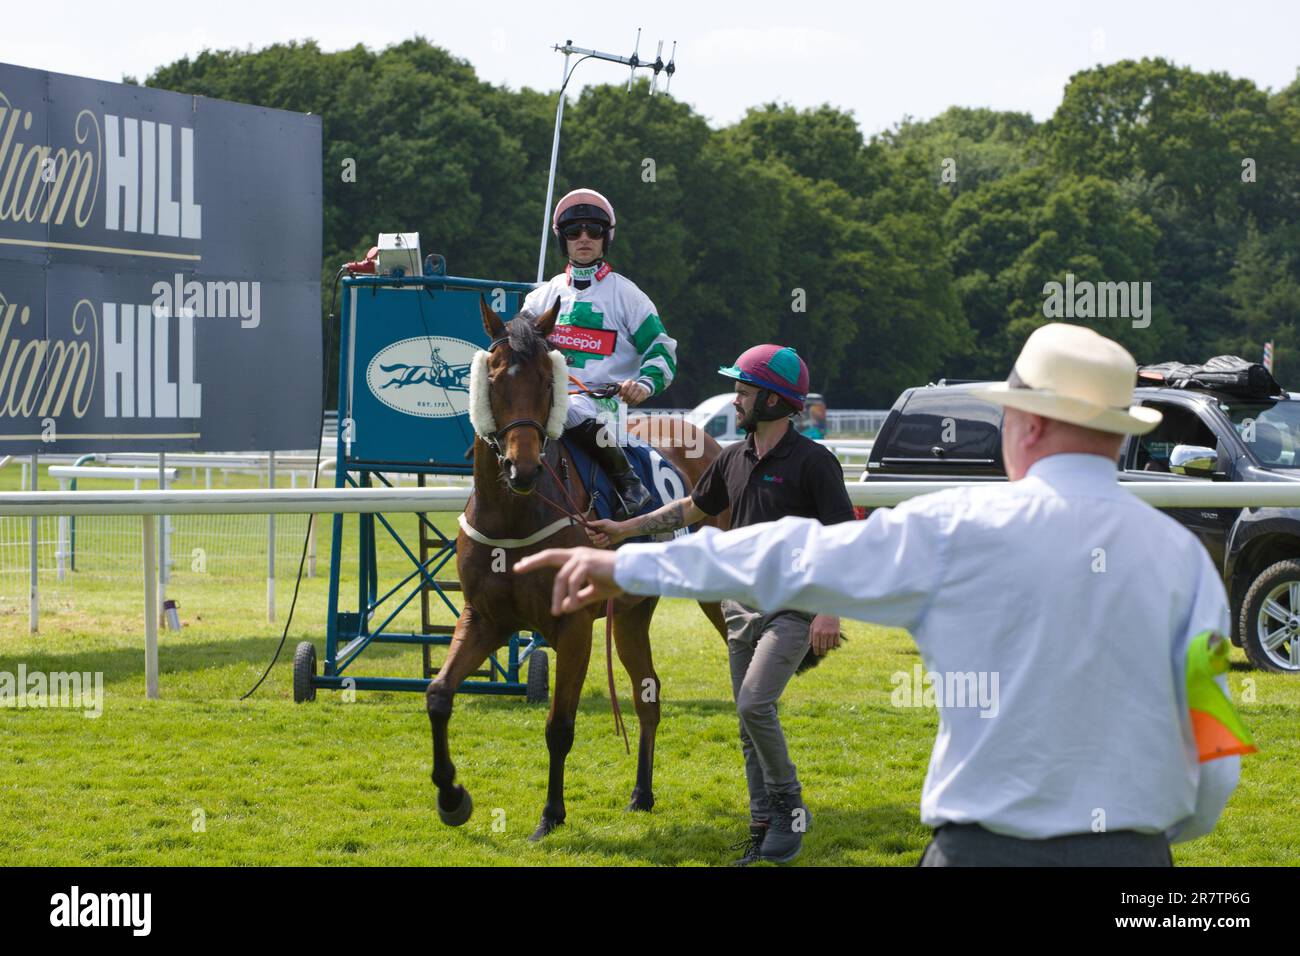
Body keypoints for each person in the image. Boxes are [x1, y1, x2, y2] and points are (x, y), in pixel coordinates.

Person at [517, 323, 1251, 866]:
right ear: (1119, 435)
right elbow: (1217, 757)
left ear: (1023, 423)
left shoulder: (958, 528)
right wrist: (1146, 837)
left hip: (979, 851)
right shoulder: (1186, 563)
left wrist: (629, 569)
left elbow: (794, 552)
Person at [584, 344, 856, 865]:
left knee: (755, 704)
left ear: (775, 402)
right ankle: (761, 825)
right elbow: (691, 506)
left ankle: (789, 806)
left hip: (794, 607)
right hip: (740, 610)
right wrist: (626, 527)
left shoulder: (815, 463)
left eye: (745, 391)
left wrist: (829, 609)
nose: (735, 399)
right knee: (748, 721)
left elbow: (845, 540)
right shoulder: (733, 457)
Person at [519, 188, 678, 517]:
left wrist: (644, 384)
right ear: (563, 240)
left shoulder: (628, 296)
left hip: (603, 406)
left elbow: (662, 352)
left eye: (594, 231)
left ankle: (630, 484)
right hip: (548, 405)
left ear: (607, 238)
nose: (584, 238)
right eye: (574, 232)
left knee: (571, 407)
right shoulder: (541, 297)